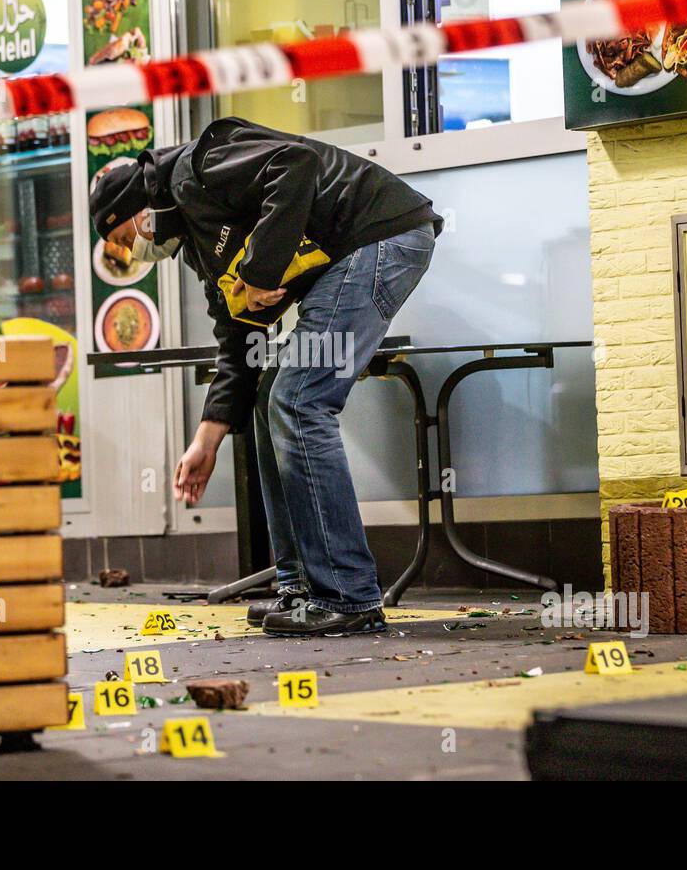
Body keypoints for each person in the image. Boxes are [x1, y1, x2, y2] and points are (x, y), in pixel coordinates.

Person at [90, 116, 440, 636]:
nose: (136, 249)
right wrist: (206, 438)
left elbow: (293, 165)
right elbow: (237, 341)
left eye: (126, 235)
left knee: (298, 399)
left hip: (380, 235)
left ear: (141, 211)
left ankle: (347, 594)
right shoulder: (201, 245)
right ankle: (300, 586)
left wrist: (259, 272)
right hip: (360, 250)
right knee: (271, 397)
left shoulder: (197, 169)